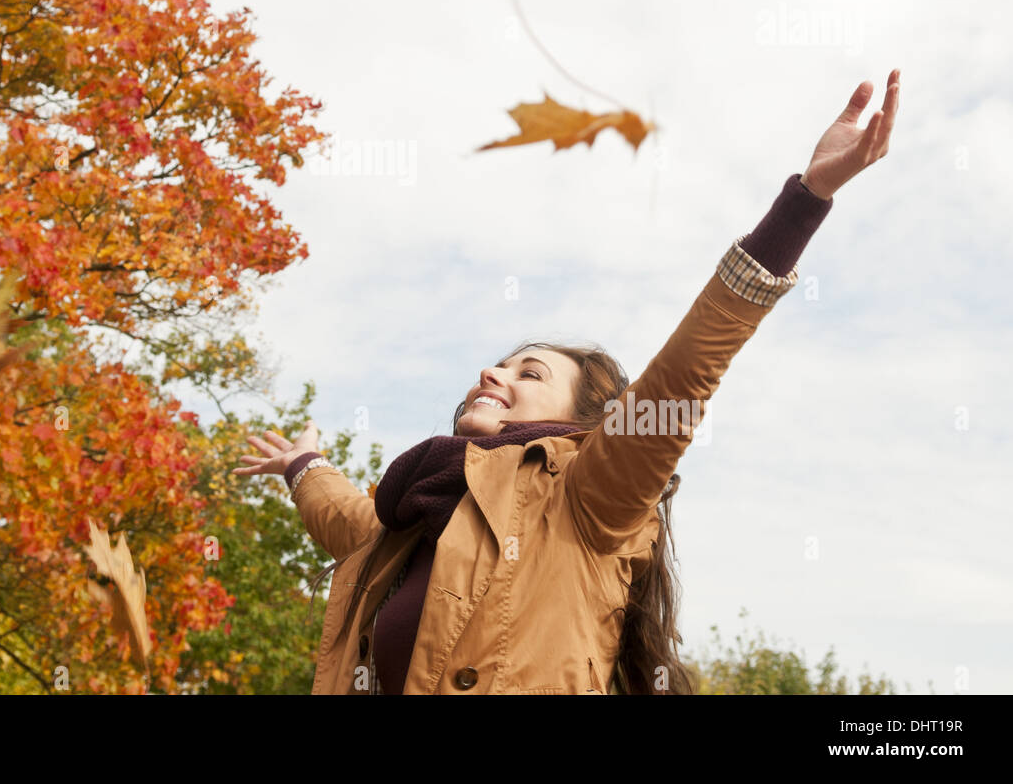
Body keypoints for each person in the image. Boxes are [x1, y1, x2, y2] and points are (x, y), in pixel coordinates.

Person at [235, 71, 901, 694]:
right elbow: (345, 516)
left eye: (530, 372)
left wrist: (804, 201)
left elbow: (682, 375)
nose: (492, 373)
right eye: (499, 363)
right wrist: (303, 464)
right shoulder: (407, 517)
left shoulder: (591, 495)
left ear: (590, 421)